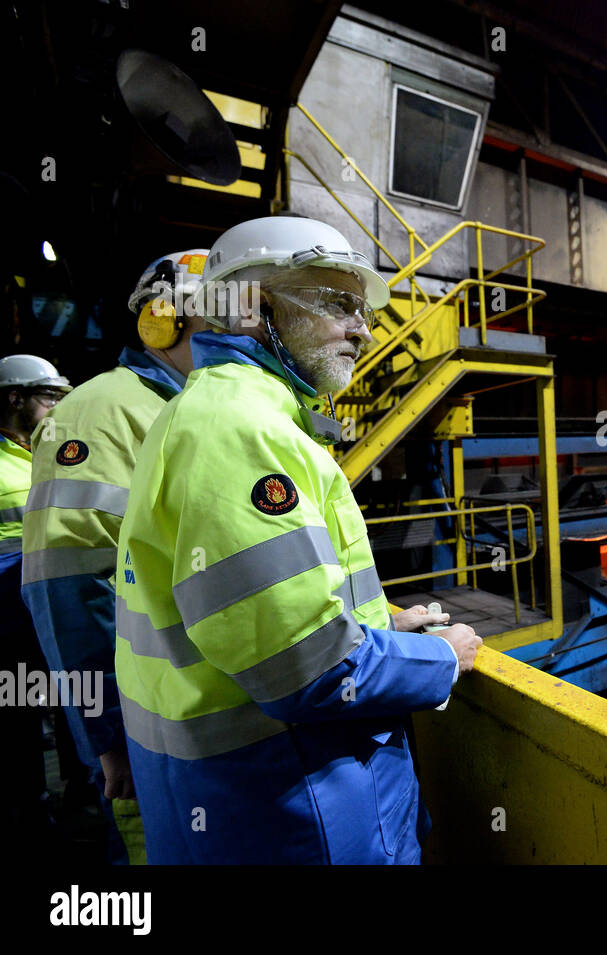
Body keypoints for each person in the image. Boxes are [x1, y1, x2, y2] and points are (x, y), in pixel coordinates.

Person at [114, 216, 482, 864]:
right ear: (256, 307)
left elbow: (256, 615)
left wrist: (384, 625)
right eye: (338, 304)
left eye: (360, 308)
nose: (363, 329)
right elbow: (309, 672)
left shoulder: (206, 413)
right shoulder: (242, 431)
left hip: (247, 801)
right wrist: (442, 658)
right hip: (297, 813)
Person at [21, 250, 210, 865]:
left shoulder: (197, 407)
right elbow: (67, 583)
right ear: (164, 320)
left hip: (200, 720)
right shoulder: (103, 410)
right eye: (228, 316)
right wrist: (107, 737)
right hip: (143, 734)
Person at [0, 353, 71, 851]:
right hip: (8, 619)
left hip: (56, 610)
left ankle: (86, 795)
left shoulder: (58, 454)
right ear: (14, 398)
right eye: (48, 397)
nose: (55, 408)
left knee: (78, 704)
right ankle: (30, 816)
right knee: (20, 717)